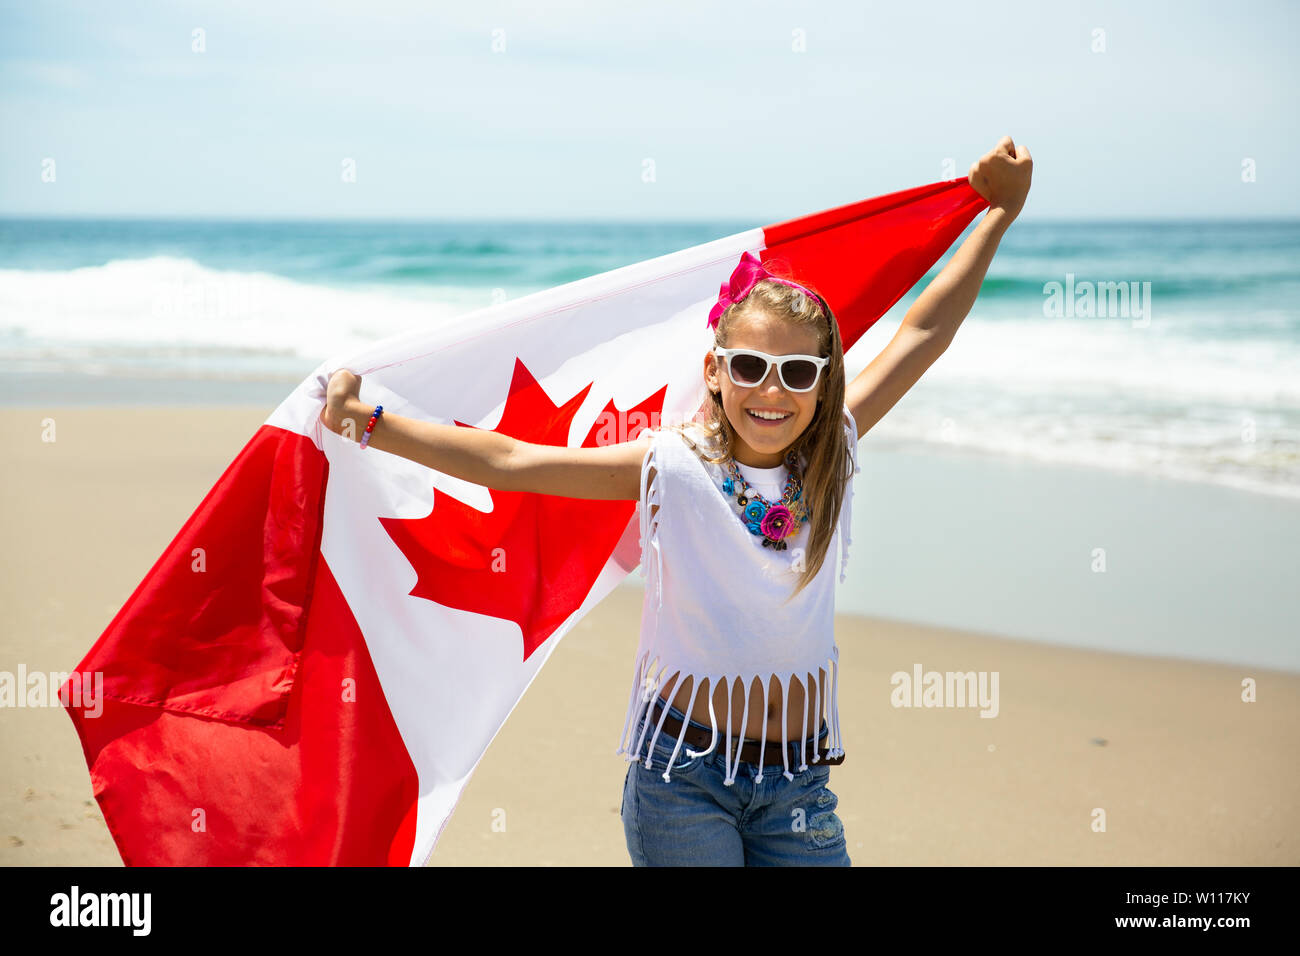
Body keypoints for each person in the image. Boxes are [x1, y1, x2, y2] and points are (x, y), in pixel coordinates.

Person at [320, 136, 1032, 866]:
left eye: (796, 371)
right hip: (683, 780)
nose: (772, 389)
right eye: (751, 367)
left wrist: (997, 214)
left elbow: (922, 331)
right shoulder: (674, 464)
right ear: (715, 374)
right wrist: (370, 425)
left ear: (824, 381)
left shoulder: (830, 453)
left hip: (799, 784)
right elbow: (515, 462)